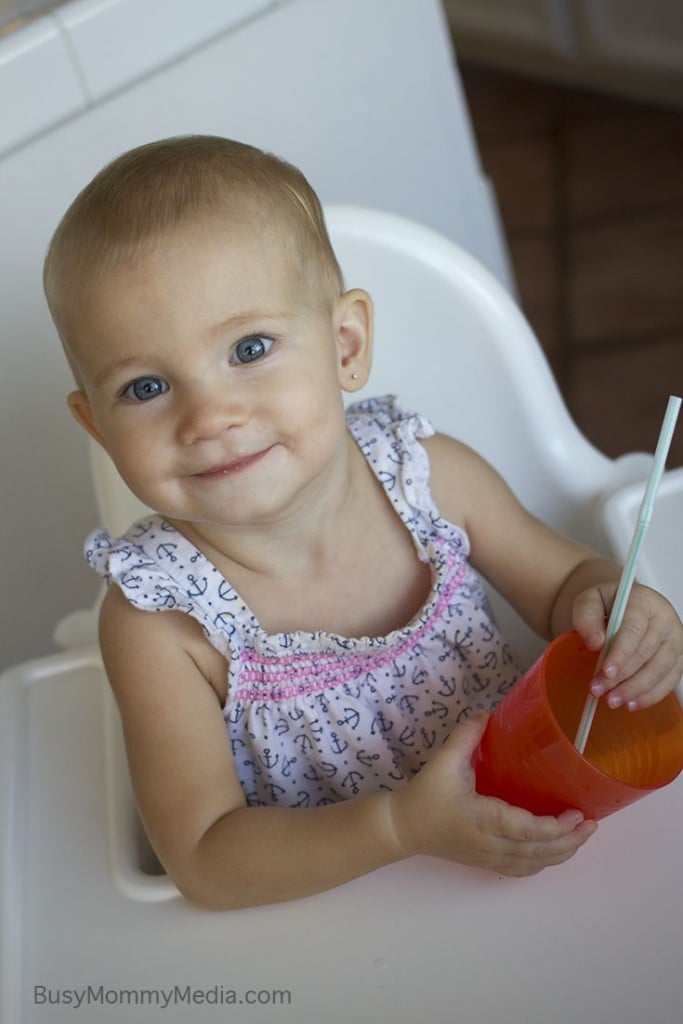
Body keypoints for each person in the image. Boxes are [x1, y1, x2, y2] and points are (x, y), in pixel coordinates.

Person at [43, 136, 683, 910]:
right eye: (145, 387)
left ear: (344, 346)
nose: (210, 416)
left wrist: (624, 610)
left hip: (529, 843)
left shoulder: (428, 476)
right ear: (97, 426)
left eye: (249, 348)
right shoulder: (160, 622)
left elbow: (568, 589)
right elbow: (205, 859)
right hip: (342, 907)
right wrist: (397, 828)